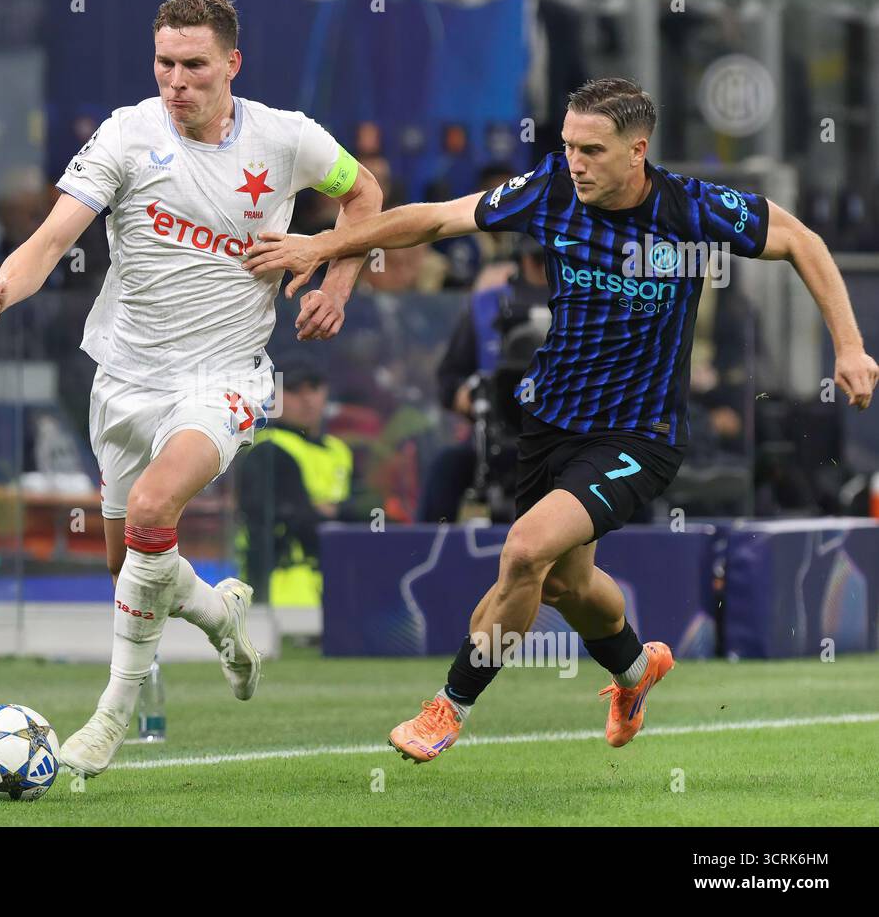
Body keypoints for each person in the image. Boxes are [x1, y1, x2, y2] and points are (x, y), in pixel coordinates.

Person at [245, 77, 879, 762]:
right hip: (550, 424)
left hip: (639, 436)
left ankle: (446, 708)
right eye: (569, 145)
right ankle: (637, 671)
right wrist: (323, 247)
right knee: (566, 585)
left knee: (523, 550)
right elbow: (434, 218)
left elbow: (804, 242)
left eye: (592, 150)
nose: (574, 161)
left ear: (637, 150)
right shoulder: (550, 190)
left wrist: (848, 345)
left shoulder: (691, 210)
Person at [0, 0, 382, 777]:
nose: (177, 81)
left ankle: (111, 715)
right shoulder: (127, 135)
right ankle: (219, 612)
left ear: (233, 64)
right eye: (165, 63)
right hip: (124, 378)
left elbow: (365, 197)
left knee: (158, 509)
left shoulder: (287, 139)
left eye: (194, 65)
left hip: (224, 377)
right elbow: (53, 240)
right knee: (129, 569)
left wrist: (335, 278)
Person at [418, 236, 549, 523]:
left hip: (566, 437)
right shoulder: (487, 305)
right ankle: (428, 556)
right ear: (523, 257)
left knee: (621, 472)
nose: (545, 268)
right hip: (495, 437)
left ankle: (634, 557)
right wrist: (464, 395)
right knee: (447, 468)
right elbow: (449, 379)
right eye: (539, 260)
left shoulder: (588, 303)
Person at [236, 354, 354, 608]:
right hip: (282, 588)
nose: (307, 399)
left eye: (314, 388)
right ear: (274, 396)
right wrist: (340, 512)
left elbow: (370, 505)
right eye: (293, 390)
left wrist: (335, 512)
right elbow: (299, 519)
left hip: (338, 582)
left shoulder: (339, 450)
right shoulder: (267, 449)